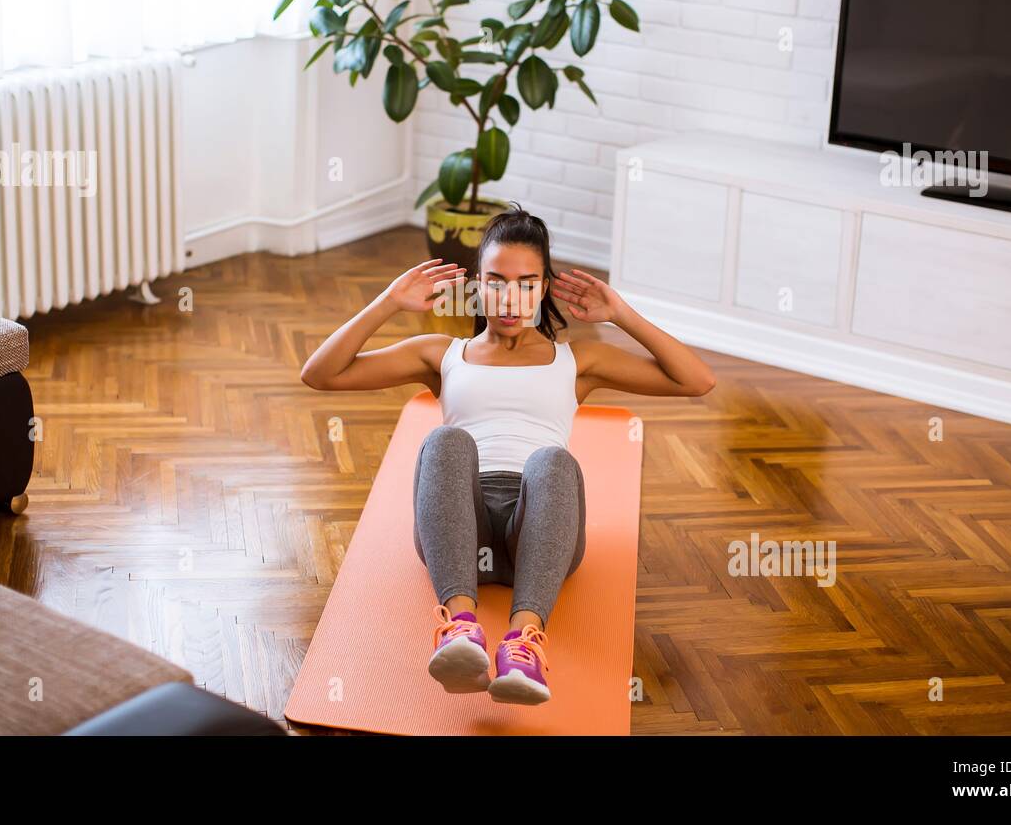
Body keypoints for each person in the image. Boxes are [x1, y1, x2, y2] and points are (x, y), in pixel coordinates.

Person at [300, 204, 716, 705]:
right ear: (478, 284)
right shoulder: (443, 354)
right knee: (446, 442)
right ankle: (459, 630)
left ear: (543, 287)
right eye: (497, 281)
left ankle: (523, 643)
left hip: (538, 538)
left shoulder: (577, 361)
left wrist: (622, 314)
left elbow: (697, 381)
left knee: (551, 461)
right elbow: (319, 373)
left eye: (526, 283)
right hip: (458, 532)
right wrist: (389, 301)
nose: (511, 297)